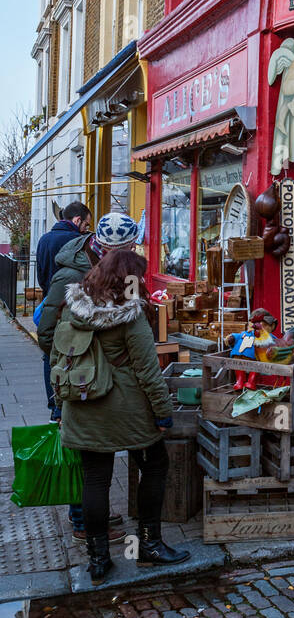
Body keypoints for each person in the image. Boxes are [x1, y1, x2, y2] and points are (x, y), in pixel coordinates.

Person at [51, 245, 190, 583]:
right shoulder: (130, 315)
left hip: (82, 404)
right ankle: (149, 546)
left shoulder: (75, 306)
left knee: (96, 480)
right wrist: (163, 413)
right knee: (155, 465)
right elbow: (147, 371)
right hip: (126, 409)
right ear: (129, 279)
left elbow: (55, 348)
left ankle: (98, 561)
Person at [38, 212, 140, 538]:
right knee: (84, 454)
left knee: (91, 452)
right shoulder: (71, 274)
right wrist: (80, 353)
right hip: (73, 375)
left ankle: (91, 517)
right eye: (129, 249)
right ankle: (83, 522)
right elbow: (47, 333)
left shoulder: (105, 267)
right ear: (115, 250)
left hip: (91, 376)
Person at [35, 201, 92, 413]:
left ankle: (53, 406)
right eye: (86, 224)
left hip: (49, 302)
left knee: (49, 356)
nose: (86, 229)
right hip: (72, 308)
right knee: (72, 355)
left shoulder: (44, 239)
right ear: (77, 221)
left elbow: (41, 276)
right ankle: (66, 404)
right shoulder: (79, 242)